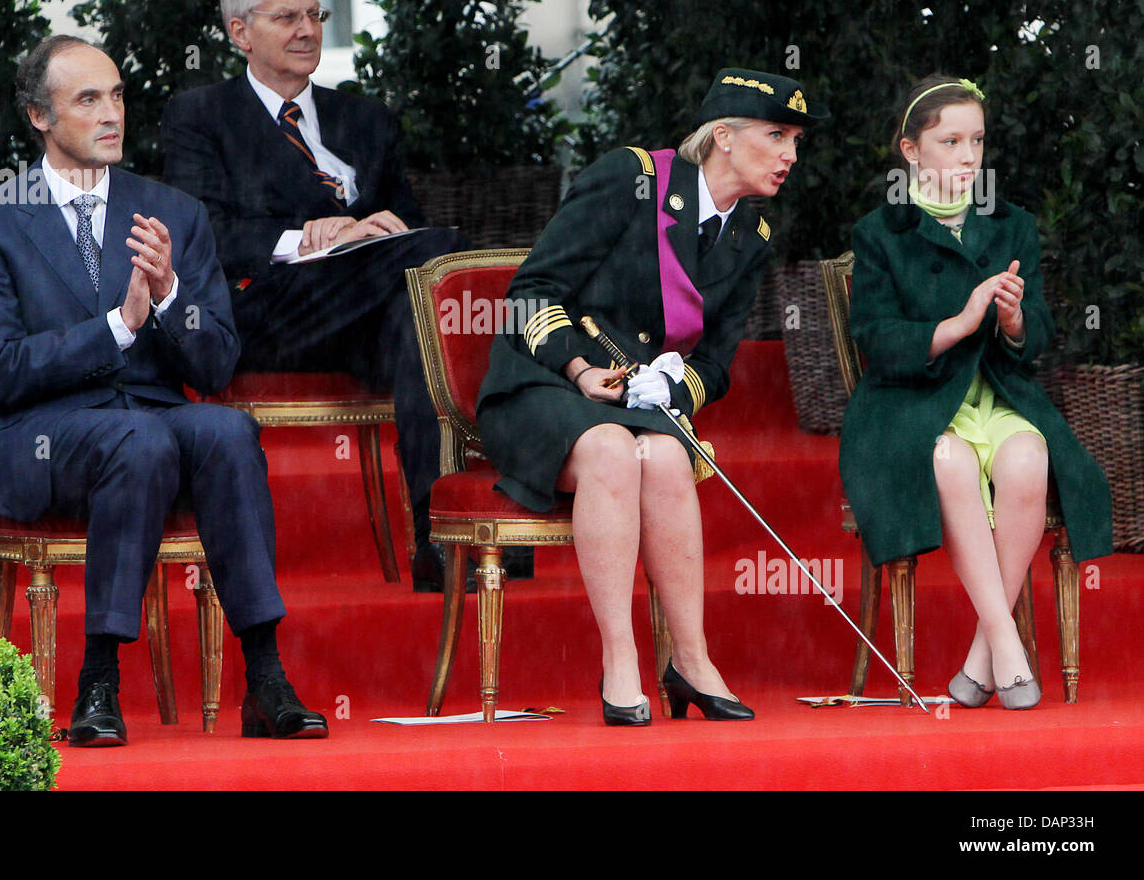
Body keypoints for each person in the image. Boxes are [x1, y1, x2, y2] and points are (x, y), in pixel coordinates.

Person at [0, 35, 328, 745]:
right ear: (40, 116)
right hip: (41, 437)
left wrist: (172, 293)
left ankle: (267, 676)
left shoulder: (172, 213)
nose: (111, 113)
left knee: (228, 429)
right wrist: (120, 325)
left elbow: (215, 366)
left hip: (151, 424)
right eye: (88, 98)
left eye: (117, 94)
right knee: (142, 438)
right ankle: (99, 679)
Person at [477, 68, 827, 724]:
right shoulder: (632, 178)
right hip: (544, 383)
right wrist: (580, 367)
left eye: (796, 141)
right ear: (723, 136)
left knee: (667, 458)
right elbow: (529, 293)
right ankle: (620, 659)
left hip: (635, 399)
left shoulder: (751, 237)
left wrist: (673, 382)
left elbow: (716, 362)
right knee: (612, 450)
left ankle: (691, 659)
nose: (790, 155)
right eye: (776, 135)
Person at [160, 0, 471, 593]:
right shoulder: (200, 118)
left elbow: (407, 226)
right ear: (239, 32)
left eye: (314, 14)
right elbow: (206, 235)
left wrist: (382, 233)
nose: (307, 30)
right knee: (447, 266)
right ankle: (462, 521)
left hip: (369, 312)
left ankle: (439, 537)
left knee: (423, 312)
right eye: (285, 18)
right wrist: (308, 236)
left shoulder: (367, 119)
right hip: (270, 309)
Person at [839, 75, 1113, 710]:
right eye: (950, 140)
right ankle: (1006, 646)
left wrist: (1015, 323)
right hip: (910, 401)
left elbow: (1039, 332)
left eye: (978, 141)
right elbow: (877, 339)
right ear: (911, 150)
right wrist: (959, 324)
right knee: (949, 462)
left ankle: (981, 659)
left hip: (997, 393)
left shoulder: (1012, 225)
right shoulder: (880, 232)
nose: (968, 156)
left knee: (1029, 458)